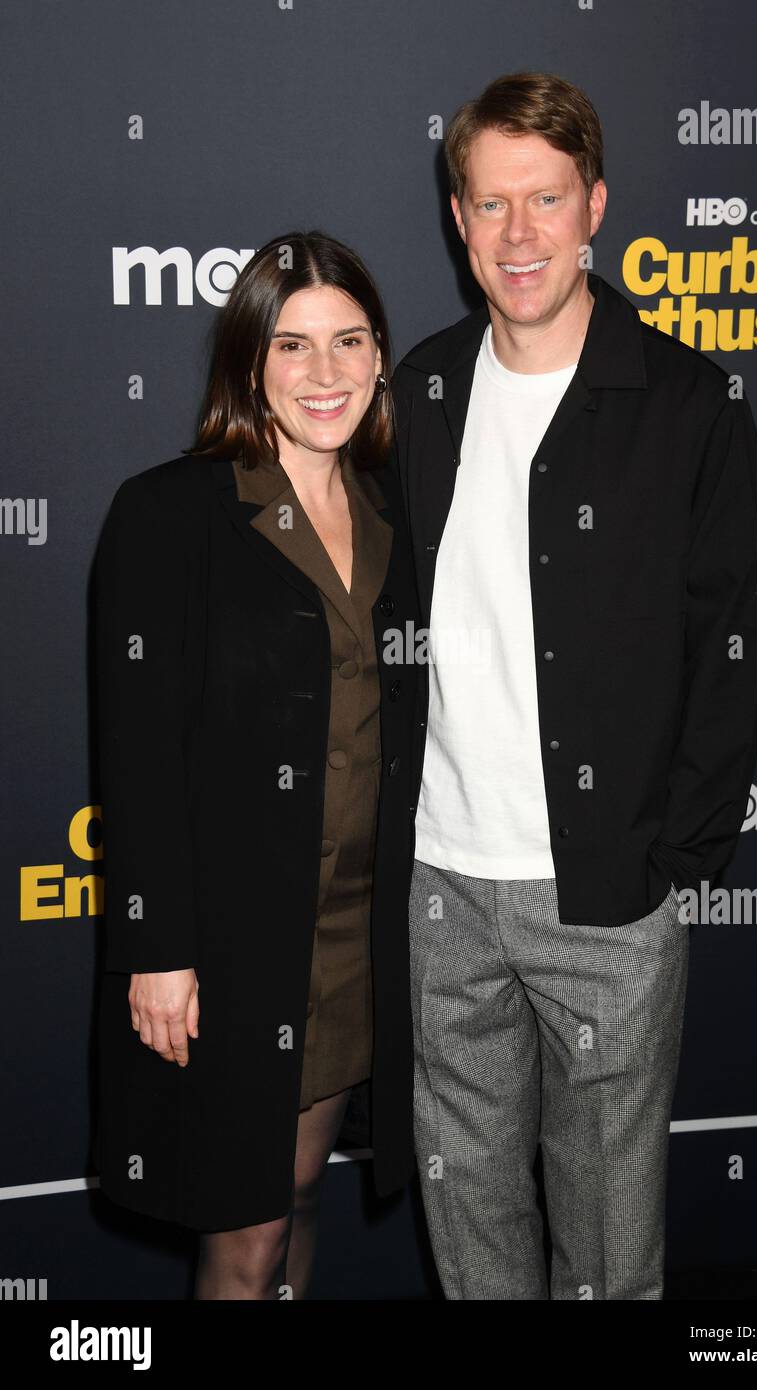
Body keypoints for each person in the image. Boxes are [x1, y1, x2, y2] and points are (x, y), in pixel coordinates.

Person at [393, 72, 757, 1299]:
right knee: (473, 1237)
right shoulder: (423, 389)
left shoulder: (686, 401)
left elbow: (737, 640)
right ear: (459, 218)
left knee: (611, 1252)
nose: (519, 236)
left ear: (594, 205)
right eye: (491, 204)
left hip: (607, 889)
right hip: (441, 881)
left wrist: (674, 857)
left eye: (545, 200)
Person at [93, 230, 419, 1299]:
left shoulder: (395, 513)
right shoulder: (170, 512)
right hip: (229, 947)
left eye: (349, 341)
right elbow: (136, 749)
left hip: (355, 938)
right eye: (292, 346)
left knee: (298, 1197)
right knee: (243, 1237)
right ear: (248, 364)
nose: (324, 374)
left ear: (380, 355)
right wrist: (158, 950)